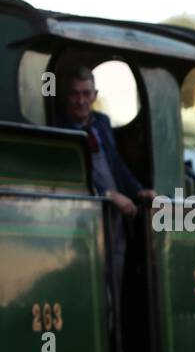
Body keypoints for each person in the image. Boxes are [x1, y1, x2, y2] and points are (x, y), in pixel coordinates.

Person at [55, 66, 156, 329]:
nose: (80, 100)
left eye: (86, 93)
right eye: (75, 94)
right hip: (85, 223)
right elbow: (67, 176)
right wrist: (109, 196)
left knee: (116, 284)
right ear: (67, 97)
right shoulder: (59, 127)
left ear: (94, 94)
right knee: (97, 291)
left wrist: (137, 190)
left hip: (115, 220)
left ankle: (112, 341)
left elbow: (115, 164)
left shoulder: (101, 123)